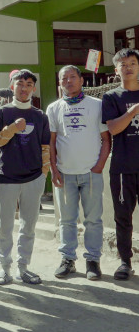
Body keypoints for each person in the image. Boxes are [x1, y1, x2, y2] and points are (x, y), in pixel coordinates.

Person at [48, 65, 111, 281]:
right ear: (59, 82)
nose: (68, 81)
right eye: (63, 78)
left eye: (72, 77)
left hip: (91, 172)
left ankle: (93, 260)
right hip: (65, 173)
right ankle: (68, 260)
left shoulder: (97, 105)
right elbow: (52, 142)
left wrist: (99, 165)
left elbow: (106, 139)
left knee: (93, 219)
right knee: (67, 220)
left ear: (81, 80)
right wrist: (54, 169)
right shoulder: (54, 108)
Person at [0, 69, 50, 286]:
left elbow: (45, 147)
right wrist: (12, 129)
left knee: (28, 226)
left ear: (33, 88)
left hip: (34, 178)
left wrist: (43, 174)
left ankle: (24, 268)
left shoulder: (40, 115)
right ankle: (4, 269)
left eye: (29, 84)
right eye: (20, 83)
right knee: (4, 227)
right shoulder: (2, 113)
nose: (24, 88)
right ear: (12, 85)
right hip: (7, 177)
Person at [102, 48, 139, 280]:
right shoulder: (111, 97)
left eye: (132, 63)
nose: (128, 67)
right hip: (124, 167)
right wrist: (133, 111)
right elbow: (113, 129)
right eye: (123, 64)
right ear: (116, 70)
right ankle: (125, 261)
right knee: (123, 217)